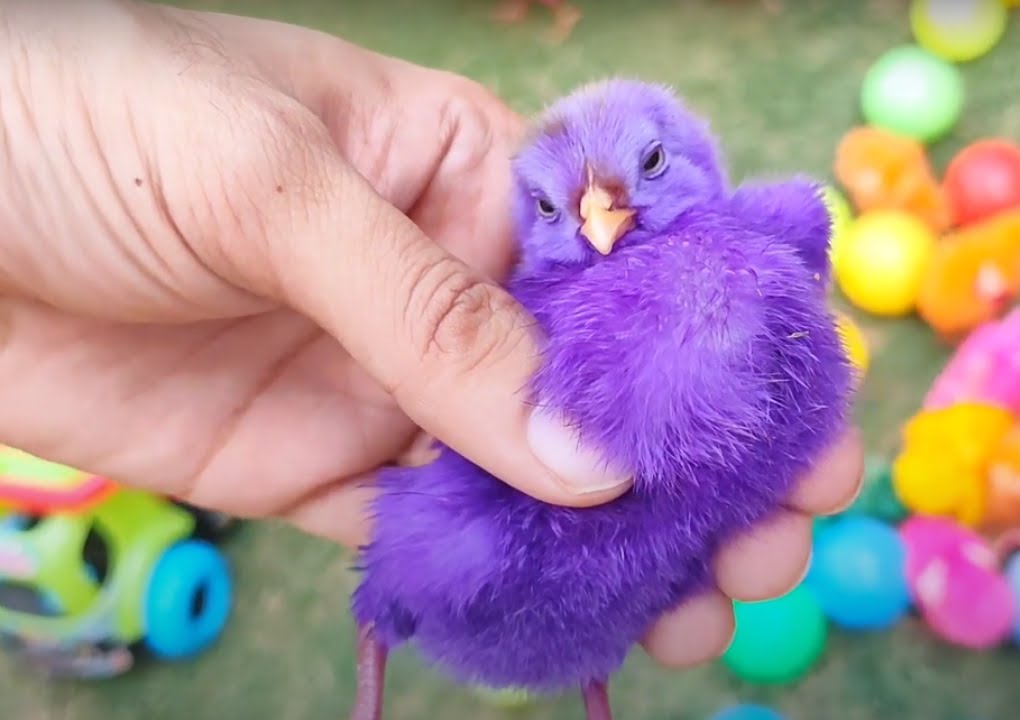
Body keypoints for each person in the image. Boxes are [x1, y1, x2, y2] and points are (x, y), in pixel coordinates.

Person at [0, 0, 863, 669]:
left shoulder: (764, 226)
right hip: (504, 542)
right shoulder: (547, 310)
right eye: (559, 207)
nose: (605, 215)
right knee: (461, 551)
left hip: (615, 563)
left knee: (658, 588)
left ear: (689, 157)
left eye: (643, 167)